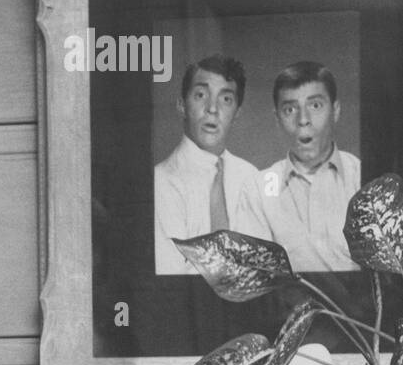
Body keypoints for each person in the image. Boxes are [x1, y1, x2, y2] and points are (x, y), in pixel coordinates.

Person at [233, 61, 361, 272]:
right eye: (290, 109)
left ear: (335, 111)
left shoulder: (362, 177)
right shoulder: (257, 189)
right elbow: (254, 278)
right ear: (277, 119)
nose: (303, 119)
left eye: (315, 105)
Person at [154, 55, 259, 274]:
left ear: (237, 112)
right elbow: (170, 276)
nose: (212, 108)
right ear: (182, 104)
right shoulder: (161, 181)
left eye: (226, 99)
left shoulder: (250, 177)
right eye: (201, 95)